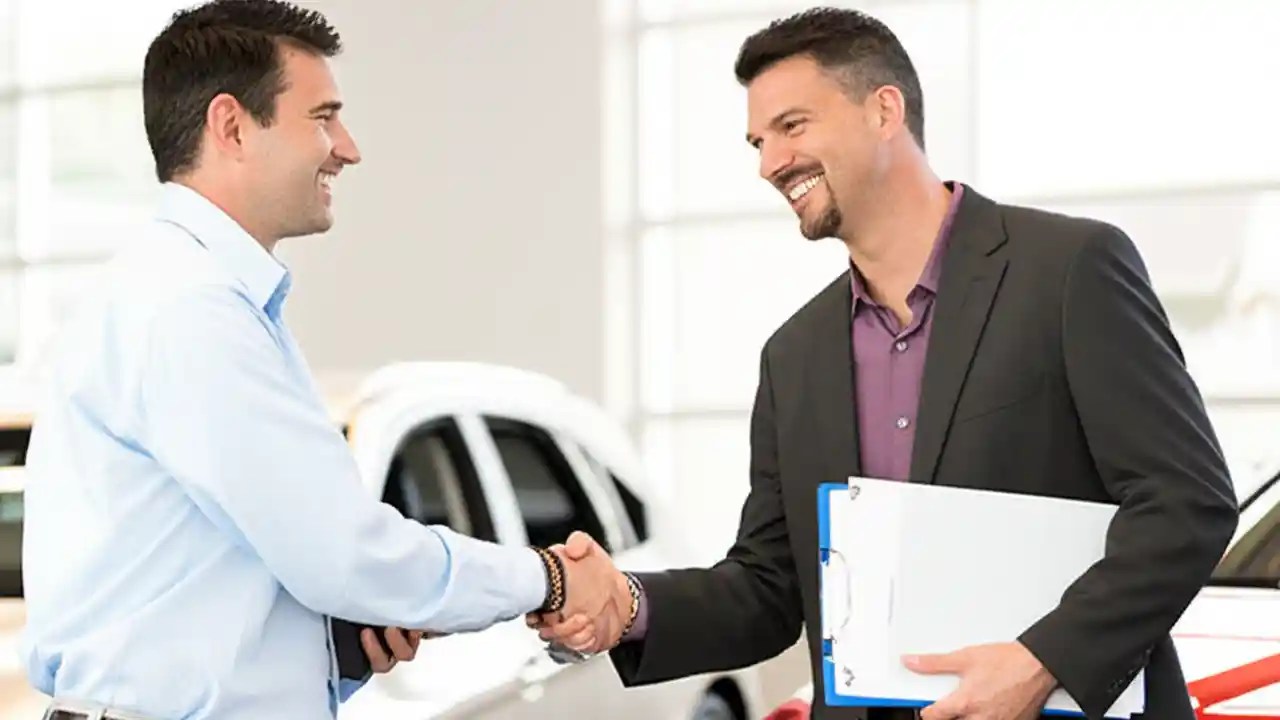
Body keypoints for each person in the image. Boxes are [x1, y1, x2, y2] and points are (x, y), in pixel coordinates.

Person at [535, 7, 1239, 720]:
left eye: (792, 126)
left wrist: (1042, 663)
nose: (769, 162)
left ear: (884, 110)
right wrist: (629, 603)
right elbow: (773, 586)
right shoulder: (794, 356)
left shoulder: (1068, 272)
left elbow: (1187, 503)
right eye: (756, 140)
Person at [19, 2, 614, 719]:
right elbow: (343, 554)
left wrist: (328, 645)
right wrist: (546, 577)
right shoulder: (191, 309)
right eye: (322, 117)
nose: (348, 147)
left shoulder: (188, 295)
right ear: (231, 126)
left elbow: (195, 576)